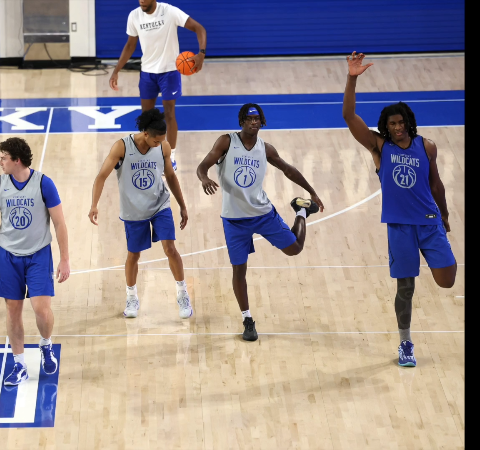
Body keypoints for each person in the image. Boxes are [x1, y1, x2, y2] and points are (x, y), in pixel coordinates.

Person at [341, 52, 457, 367]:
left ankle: (437, 253)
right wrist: (352, 78)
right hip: (400, 227)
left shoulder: (426, 146)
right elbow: (350, 117)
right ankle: (405, 342)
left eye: (401, 122)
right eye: (392, 123)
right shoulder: (379, 147)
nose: (397, 127)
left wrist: (444, 216)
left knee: (448, 280)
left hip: (430, 222)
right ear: (386, 127)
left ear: (408, 122)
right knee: (405, 287)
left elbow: (436, 186)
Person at [196, 104, 325, 342]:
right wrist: (204, 178)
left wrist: (311, 191)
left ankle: (301, 212)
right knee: (239, 270)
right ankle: (247, 319)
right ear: (242, 121)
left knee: (295, 249)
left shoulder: (265, 149)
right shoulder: (226, 142)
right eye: (249, 118)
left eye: (257, 119)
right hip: (234, 220)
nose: (253, 122)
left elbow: (288, 169)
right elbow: (203, 165)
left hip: (262, 214)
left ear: (262, 122)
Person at [0, 137, 71, 385]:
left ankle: (46, 345)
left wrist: (64, 259)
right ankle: (19, 364)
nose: (0, 162)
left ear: (16, 160)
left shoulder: (44, 183)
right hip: (8, 256)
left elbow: (60, 223)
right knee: (13, 309)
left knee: (41, 309)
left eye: (4, 158)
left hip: (39, 255)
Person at [89, 108, 192, 319]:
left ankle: (182, 294)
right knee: (133, 255)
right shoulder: (122, 147)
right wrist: (94, 204)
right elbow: (101, 176)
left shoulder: (163, 146)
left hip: (159, 204)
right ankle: (131, 297)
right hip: (133, 210)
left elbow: (170, 176)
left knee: (170, 248)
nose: (160, 144)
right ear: (146, 133)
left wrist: (182, 204)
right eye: (156, 140)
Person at [109, 0, 207, 171]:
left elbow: (199, 28)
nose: (142, 1)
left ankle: (171, 156)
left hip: (169, 72)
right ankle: (147, 153)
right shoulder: (134, 15)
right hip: (147, 72)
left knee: (169, 113)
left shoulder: (169, 11)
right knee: (147, 116)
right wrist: (117, 69)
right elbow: (130, 45)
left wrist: (201, 53)